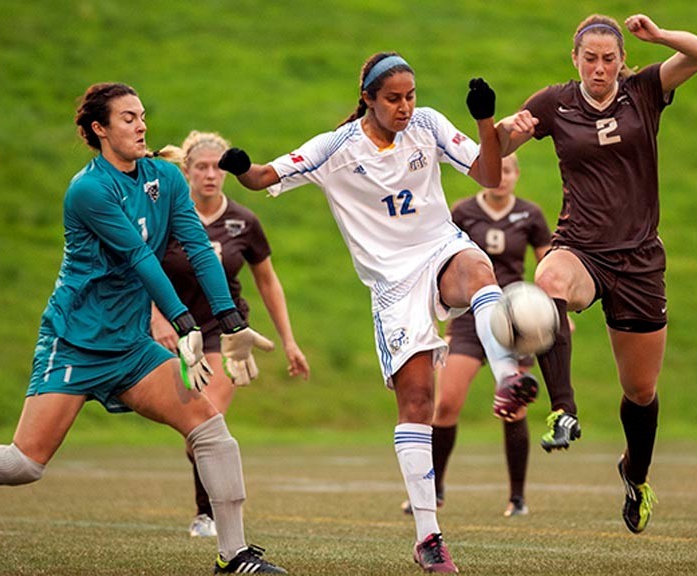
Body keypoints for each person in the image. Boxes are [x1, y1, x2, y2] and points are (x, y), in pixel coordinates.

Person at [0, 83, 286, 574]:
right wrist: (184, 323)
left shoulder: (165, 176)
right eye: (127, 118)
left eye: (142, 115)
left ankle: (234, 556)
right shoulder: (88, 189)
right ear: (99, 129)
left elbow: (196, 247)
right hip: (75, 340)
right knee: (25, 464)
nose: (141, 125)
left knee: (211, 431)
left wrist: (230, 321)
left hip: (130, 347)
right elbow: (138, 256)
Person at [216, 52, 534, 573]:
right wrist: (239, 166)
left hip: (440, 251)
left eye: (410, 95)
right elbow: (263, 177)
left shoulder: (427, 124)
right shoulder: (335, 148)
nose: (406, 107)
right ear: (367, 97)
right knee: (417, 403)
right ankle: (428, 537)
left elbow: (488, 173)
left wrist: (483, 119)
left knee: (479, 269)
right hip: (393, 285)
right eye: (393, 98)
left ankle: (506, 376)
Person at [496, 14, 697, 533]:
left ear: (622, 61)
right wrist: (507, 131)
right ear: (575, 59)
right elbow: (497, 150)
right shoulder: (554, 102)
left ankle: (635, 476)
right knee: (547, 282)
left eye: (609, 58)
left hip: (640, 260)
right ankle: (563, 409)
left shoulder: (644, 90)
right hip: (581, 249)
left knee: (640, 391)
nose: (599, 68)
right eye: (589, 58)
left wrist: (660, 37)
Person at [150, 130, 310, 538]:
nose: (210, 175)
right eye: (200, 167)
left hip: (225, 331)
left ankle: (207, 514)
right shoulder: (167, 218)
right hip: (177, 331)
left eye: (217, 167)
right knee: (192, 429)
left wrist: (289, 340)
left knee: (208, 421)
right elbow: (140, 267)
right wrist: (156, 317)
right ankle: (210, 508)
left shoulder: (244, 221)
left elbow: (269, 283)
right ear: (185, 171)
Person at [401, 153, 557, 518]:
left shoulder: (530, 215)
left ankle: (517, 498)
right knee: (446, 404)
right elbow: (439, 260)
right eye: (495, 170)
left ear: (517, 174)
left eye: (508, 170)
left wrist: (549, 311)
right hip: (470, 319)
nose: (501, 177)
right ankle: (433, 489)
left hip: (517, 322)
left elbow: (547, 263)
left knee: (513, 407)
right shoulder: (463, 212)